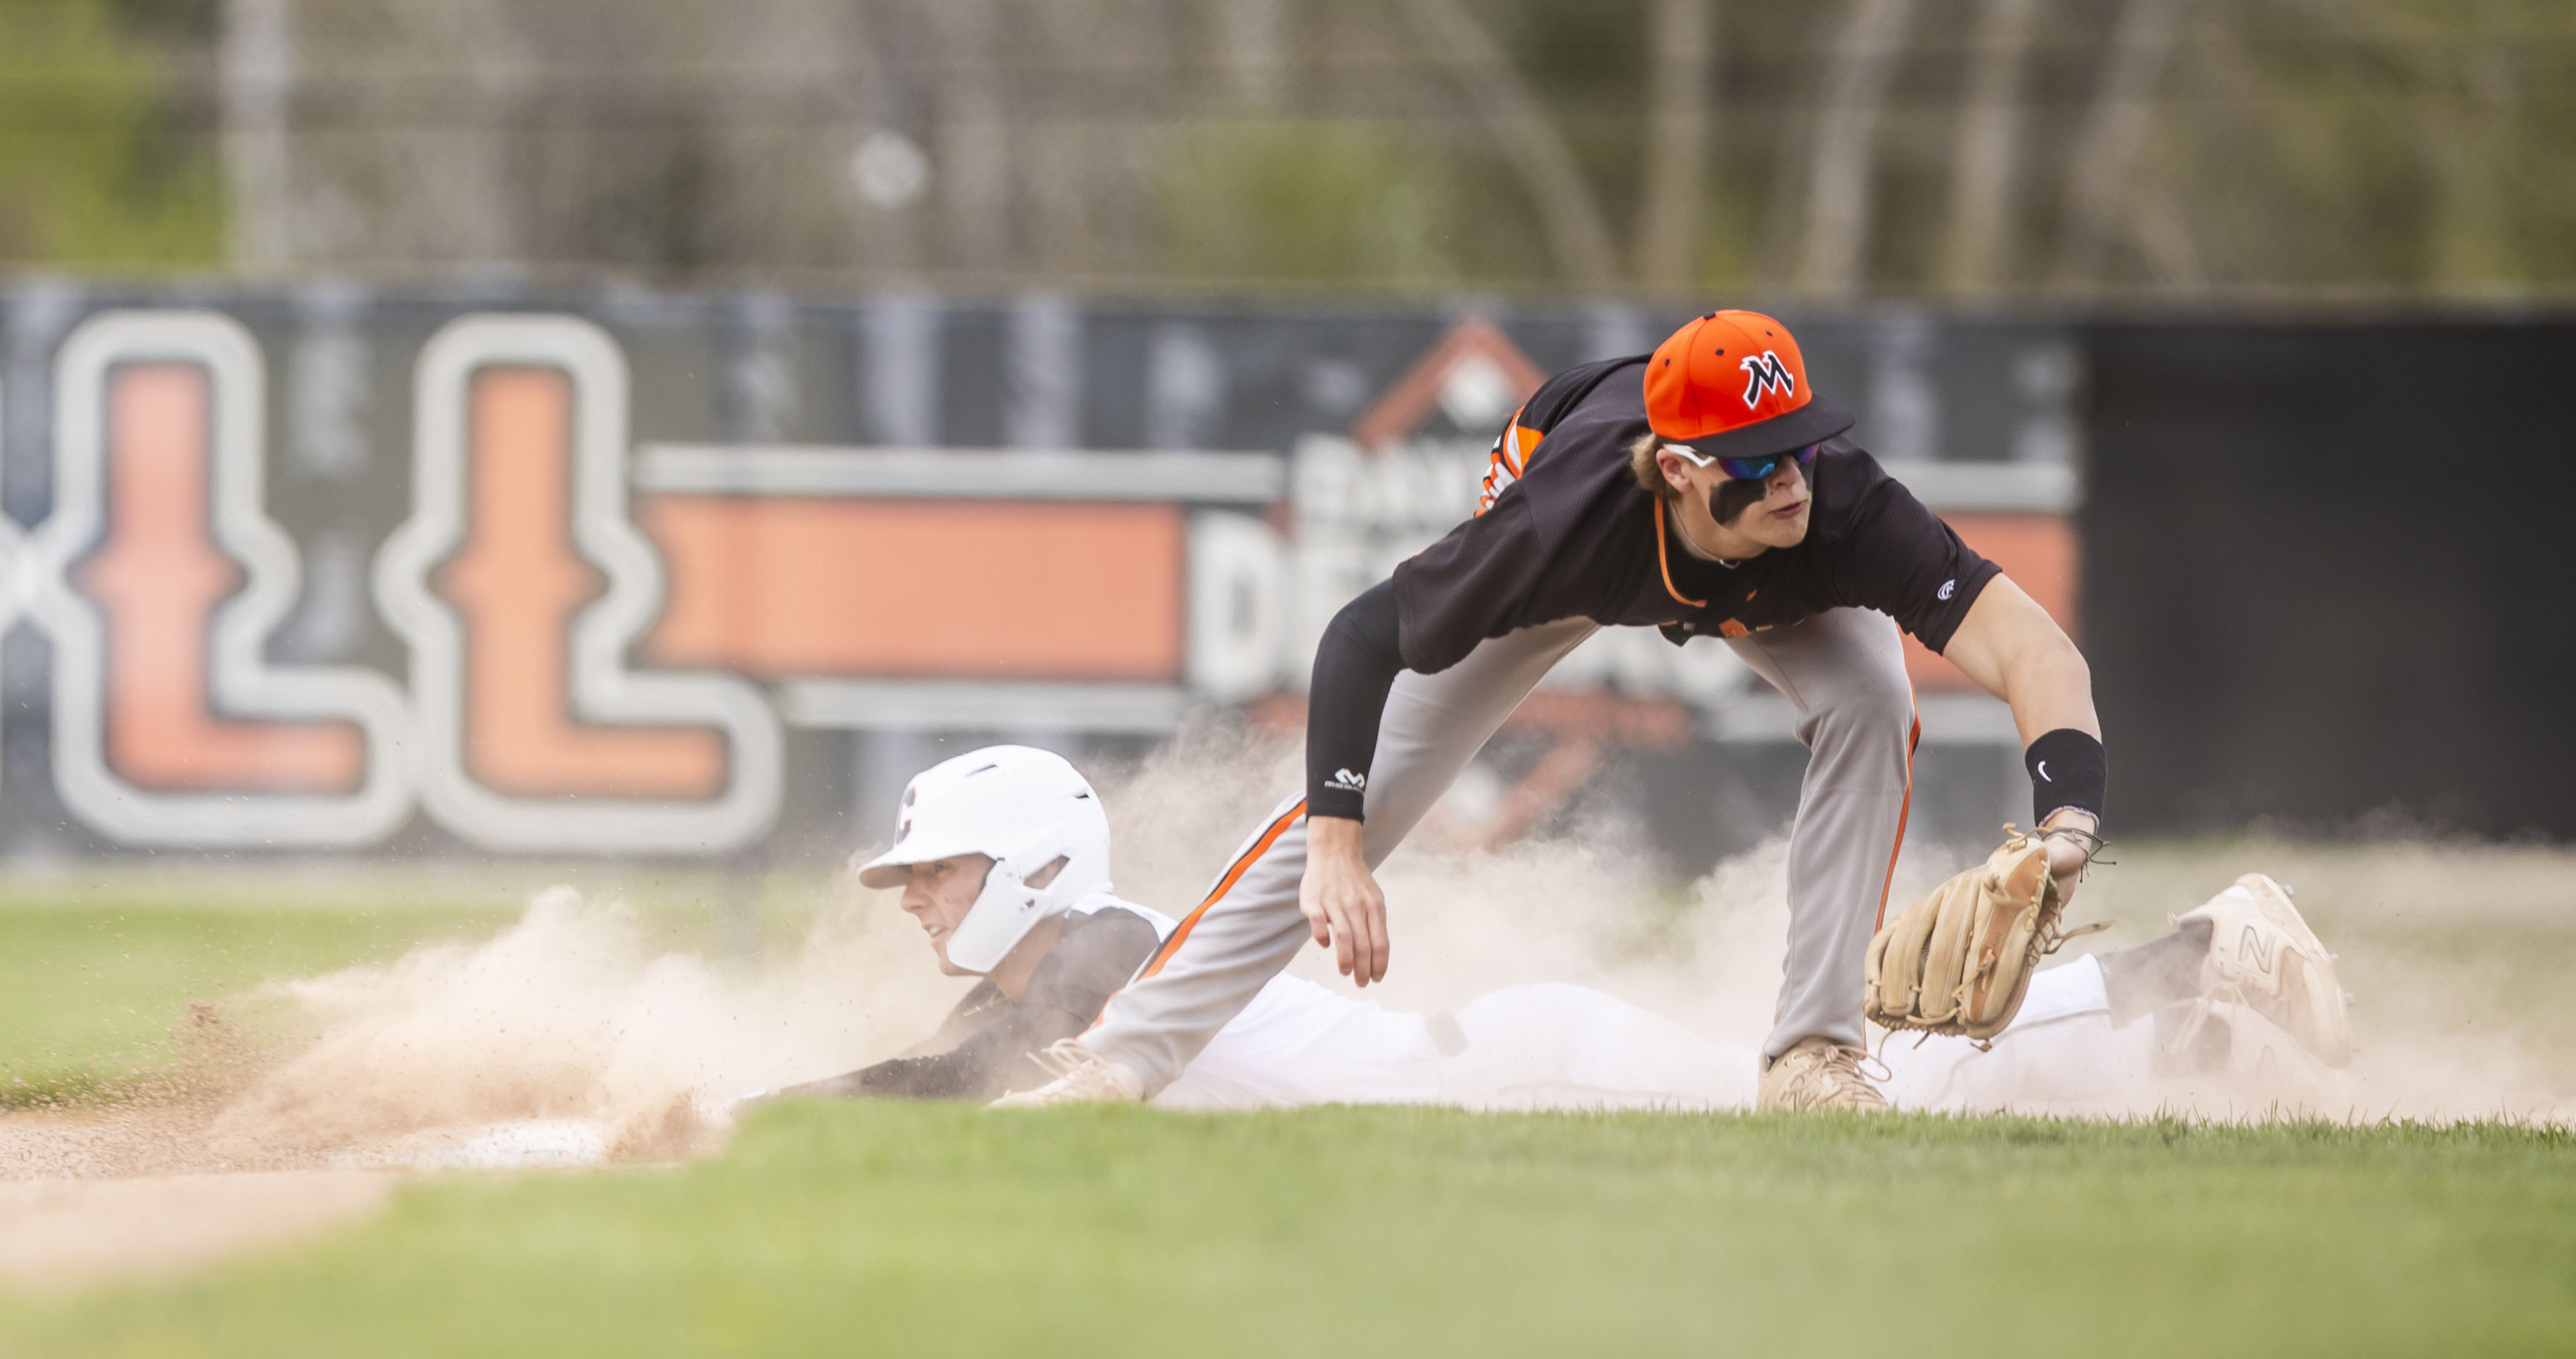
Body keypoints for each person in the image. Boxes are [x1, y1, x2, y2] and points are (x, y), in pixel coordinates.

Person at [1000, 311, 2111, 1113]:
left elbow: (2034, 649)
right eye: (1759, 461)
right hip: (1575, 517)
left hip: (1756, 587)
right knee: (1370, 790)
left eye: (1805, 444)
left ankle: (1812, 1060)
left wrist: (2067, 827)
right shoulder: (1554, 529)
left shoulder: (1837, 509)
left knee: (1873, 691)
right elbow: (1358, 639)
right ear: (1677, 471)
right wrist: (1338, 848)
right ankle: (1120, 1058)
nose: (1793, 481)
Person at [765, 745, 2354, 1117]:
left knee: (1880, 1104)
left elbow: (943, 1086)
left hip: (1538, 1067)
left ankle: (2195, 957)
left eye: (938, 870)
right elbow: (954, 1064)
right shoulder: (1080, 954)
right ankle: (2195, 1038)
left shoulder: (1101, 951)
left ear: (1034, 864)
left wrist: (721, 1118)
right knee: (1879, 1096)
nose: (913, 894)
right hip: (1510, 1058)